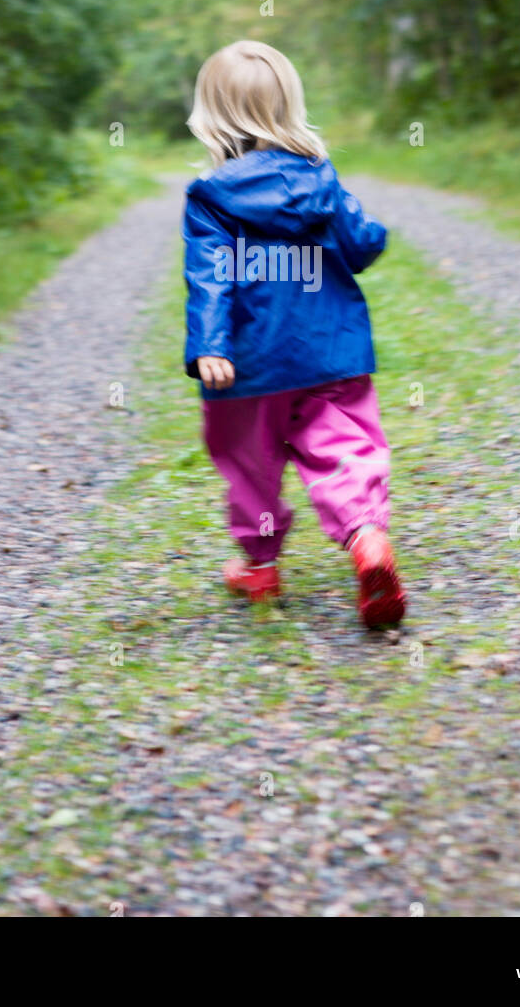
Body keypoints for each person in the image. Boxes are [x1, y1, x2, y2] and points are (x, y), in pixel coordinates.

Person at [182, 39, 405, 628]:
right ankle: (365, 539)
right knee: (344, 446)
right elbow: (362, 248)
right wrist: (368, 224)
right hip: (331, 352)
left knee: (249, 464)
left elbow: (210, 276)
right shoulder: (322, 180)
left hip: (248, 363)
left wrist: (208, 343)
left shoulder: (210, 196)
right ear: (288, 107)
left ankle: (260, 568)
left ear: (213, 116)